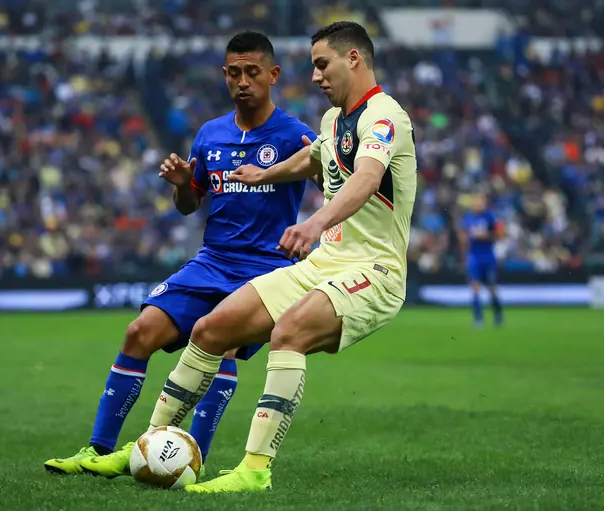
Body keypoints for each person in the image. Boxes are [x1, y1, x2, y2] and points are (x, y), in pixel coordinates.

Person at [141, 20, 417, 493]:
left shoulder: (385, 117)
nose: (315, 77)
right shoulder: (333, 122)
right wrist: (262, 172)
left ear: (354, 59)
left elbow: (366, 179)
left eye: (321, 64)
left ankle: (254, 469)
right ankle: (148, 445)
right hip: (323, 266)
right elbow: (313, 161)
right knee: (211, 329)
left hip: (375, 270)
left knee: (289, 331)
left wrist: (313, 224)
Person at [44, 31, 317, 477]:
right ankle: (97, 451)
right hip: (212, 260)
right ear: (224, 76)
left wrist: (313, 229)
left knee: (221, 345)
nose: (242, 81)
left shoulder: (295, 135)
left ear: (273, 75)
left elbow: (334, 183)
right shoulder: (210, 134)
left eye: (252, 72)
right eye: (234, 73)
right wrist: (182, 186)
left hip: (265, 268)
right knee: (139, 332)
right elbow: (191, 203)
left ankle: (194, 458)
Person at [459, 193, 503, 328]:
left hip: (487, 255)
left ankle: (497, 314)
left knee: (491, 288)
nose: (478, 205)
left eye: (481, 203)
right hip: (474, 256)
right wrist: (464, 256)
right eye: (476, 203)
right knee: (475, 287)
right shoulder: (468, 218)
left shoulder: (490, 217)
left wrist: (486, 236)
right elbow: (463, 238)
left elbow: (499, 235)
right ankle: (478, 318)